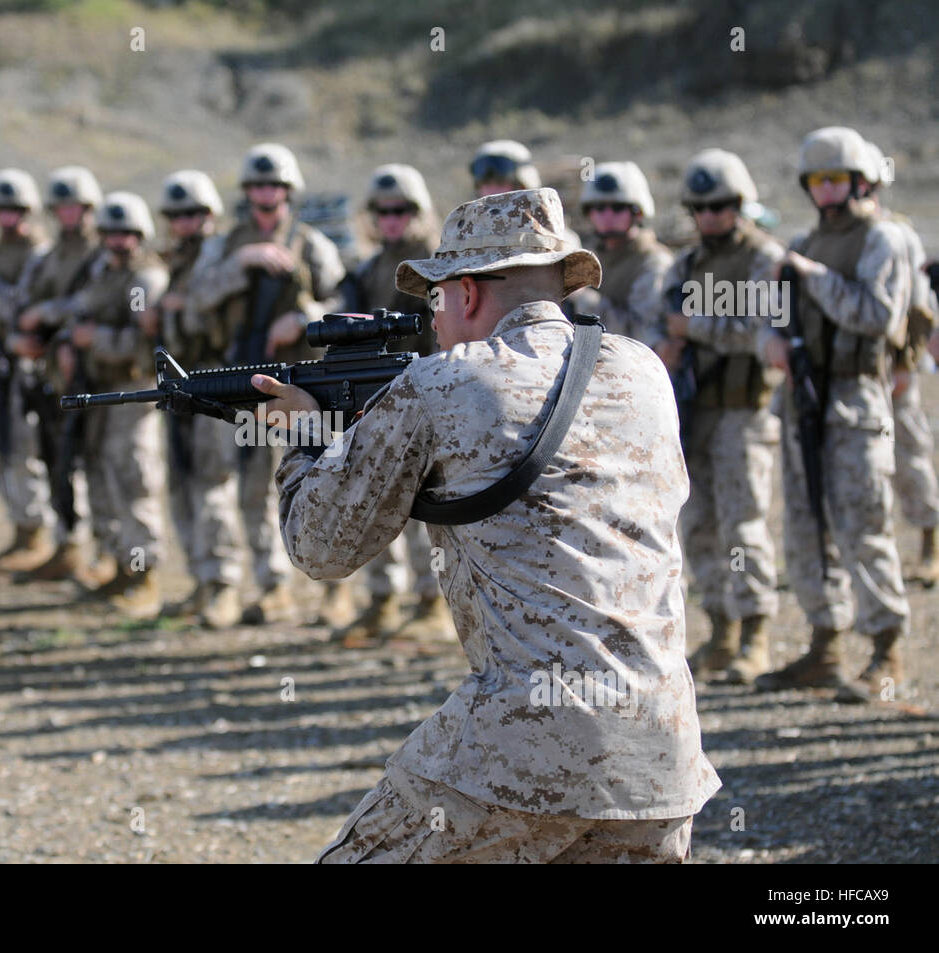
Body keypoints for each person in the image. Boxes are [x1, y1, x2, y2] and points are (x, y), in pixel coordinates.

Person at [253, 188, 720, 863]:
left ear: (466, 293)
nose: (433, 319)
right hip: (663, 753)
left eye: (437, 299)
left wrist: (305, 437)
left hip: (522, 748)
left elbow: (319, 546)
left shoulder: (444, 381)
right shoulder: (644, 370)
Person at [755, 126, 912, 704]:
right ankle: (824, 645)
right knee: (804, 525)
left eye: (835, 179)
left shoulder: (883, 240)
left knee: (862, 524)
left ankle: (886, 649)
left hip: (854, 400)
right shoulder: (803, 242)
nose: (825, 190)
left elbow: (876, 314)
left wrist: (812, 277)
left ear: (861, 180)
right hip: (803, 401)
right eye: (816, 180)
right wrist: (769, 342)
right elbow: (768, 319)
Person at [188, 143, 345, 624]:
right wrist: (243, 264)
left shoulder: (311, 242)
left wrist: (303, 319)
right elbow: (196, 300)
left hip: (299, 386)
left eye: (273, 185)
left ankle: (337, 590)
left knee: (323, 481)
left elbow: (342, 299)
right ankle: (270, 584)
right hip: (242, 381)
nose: (264, 194)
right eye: (256, 186)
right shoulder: (225, 245)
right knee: (251, 485)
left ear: (287, 191)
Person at [661, 149, 784, 685]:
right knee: (700, 523)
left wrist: (694, 328)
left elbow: (763, 332)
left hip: (744, 412)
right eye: (701, 208)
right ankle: (721, 630)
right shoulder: (686, 264)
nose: (710, 217)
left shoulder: (763, 259)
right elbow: (664, 323)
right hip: (698, 412)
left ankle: (755, 635)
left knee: (744, 523)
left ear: (741, 205)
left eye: (721, 206)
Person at [335, 163, 453, 645]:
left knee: (427, 504)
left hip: (427, 396)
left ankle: (432, 604)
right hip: (376, 397)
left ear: (419, 212)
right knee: (374, 496)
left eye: (400, 210)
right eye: (382, 212)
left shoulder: (437, 264)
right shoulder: (370, 266)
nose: (390, 219)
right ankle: (382, 599)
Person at [51, 192, 168, 616]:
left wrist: (93, 340)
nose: (117, 241)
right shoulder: (101, 272)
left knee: (133, 475)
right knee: (100, 473)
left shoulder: (147, 280)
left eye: (126, 234)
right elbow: (75, 314)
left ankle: (145, 574)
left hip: (131, 392)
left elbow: (143, 345)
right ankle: (118, 564)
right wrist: (69, 343)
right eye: (110, 234)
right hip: (98, 390)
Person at [150, 169, 244, 628]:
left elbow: (211, 303)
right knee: (181, 481)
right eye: (177, 215)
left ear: (209, 215)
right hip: (177, 385)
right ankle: (200, 579)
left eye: (193, 213)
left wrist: (180, 305)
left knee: (212, 481)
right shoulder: (175, 260)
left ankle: (223, 583)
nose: (185, 222)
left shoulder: (219, 254)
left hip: (210, 380)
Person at [9, 165, 103, 584]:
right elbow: (22, 304)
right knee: (55, 459)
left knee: (98, 466)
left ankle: (106, 555)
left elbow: (92, 303)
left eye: (76, 207)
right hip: (51, 377)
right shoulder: (47, 259)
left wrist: (49, 317)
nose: (68, 215)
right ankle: (67, 545)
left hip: (93, 377)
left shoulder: (103, 255)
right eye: (61, 207)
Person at [0, 168, 57, 571]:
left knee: (24, 451)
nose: (7, 217)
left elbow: (17, 309)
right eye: (1, 209)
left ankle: (36, 532)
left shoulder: (38, 255)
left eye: (15, 209)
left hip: (25, 369)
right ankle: (20, 529)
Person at [859, 142, 939, 585]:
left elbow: (919, 309)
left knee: (910, 455)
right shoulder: (842, 237)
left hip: (894, 367)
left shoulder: (897, 235)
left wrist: (907, 364)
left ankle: (930, 540)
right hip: (857, 373)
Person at [571, 161, 672, 352]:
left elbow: (642, 333)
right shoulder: (589, 255)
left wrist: (584, 299)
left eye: (618, 208)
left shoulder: (654, 262)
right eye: (599, 208)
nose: (607, 216)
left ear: (637, 212)